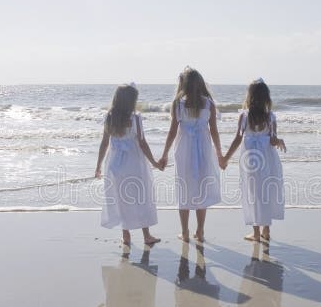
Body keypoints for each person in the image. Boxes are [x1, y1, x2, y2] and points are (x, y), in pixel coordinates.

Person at [158, 67, 224, 242]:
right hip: (203, 147)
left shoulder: (178, 104)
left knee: (184, 188)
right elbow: (215, 132)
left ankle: (185, 232)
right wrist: (219, 154)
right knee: (201, 188)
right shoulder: (208, 103)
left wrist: (164, 154)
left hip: (184, 148)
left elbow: (172, 132)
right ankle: (200, 231)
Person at [95, 83, 161, 246]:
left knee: (120, 198)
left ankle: (126, 236)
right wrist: (154, 162)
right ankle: (146, 235)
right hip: (134, 162)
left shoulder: (109, 117)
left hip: (114, 163)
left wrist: (98, 166)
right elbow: (143, 144)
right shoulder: (136, 118)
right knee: (140, 197)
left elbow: (104, 143)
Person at [221, 78, 286, 242]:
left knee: (252, 192)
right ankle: (266, 230)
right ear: (266, 97)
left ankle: (256, 232)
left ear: (249, 96)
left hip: (250, 158)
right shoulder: (270, 117)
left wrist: (226, 158)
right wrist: (279, 141)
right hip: (268, 157)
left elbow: (237, 139)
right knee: (266, 190)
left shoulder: (244, 116)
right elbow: (272, 140)